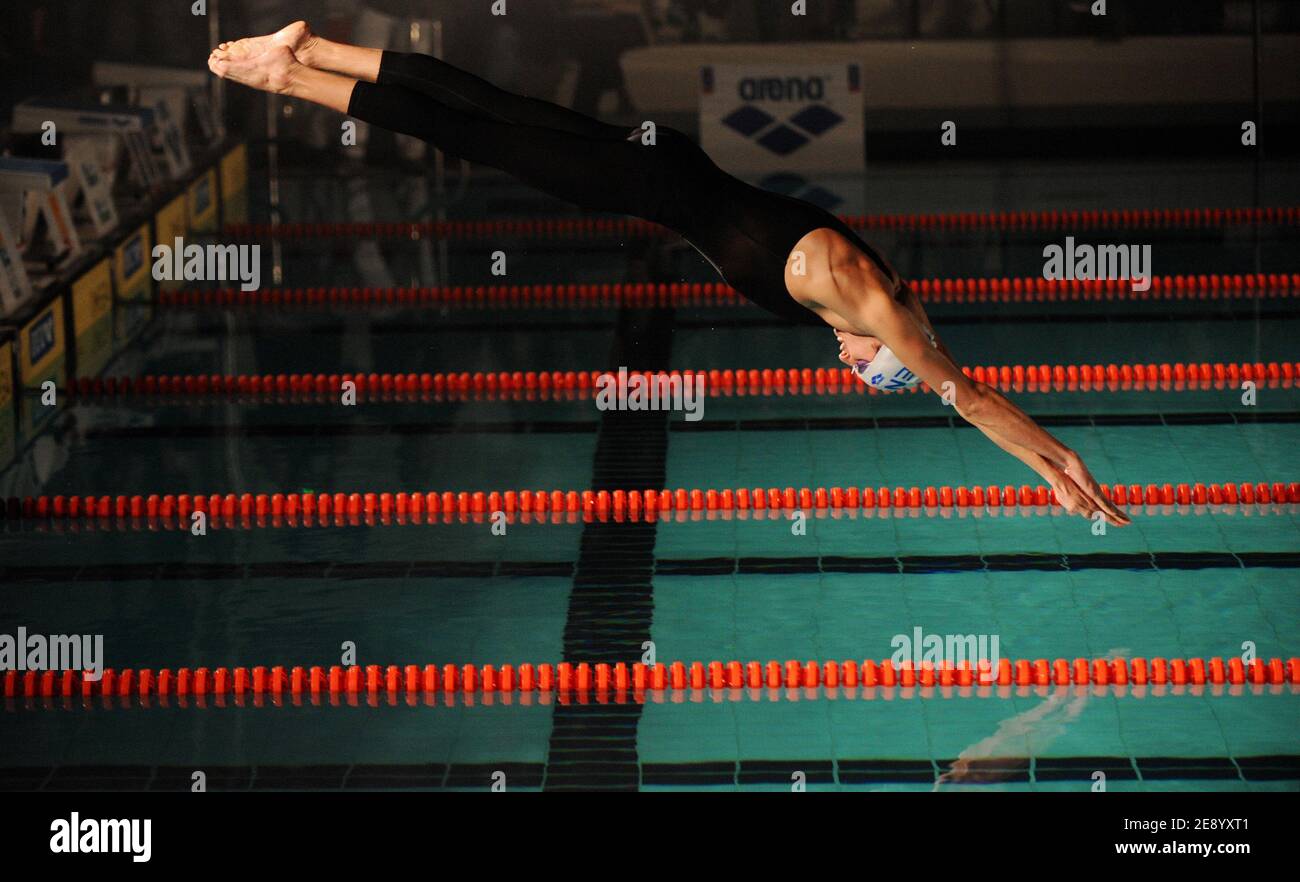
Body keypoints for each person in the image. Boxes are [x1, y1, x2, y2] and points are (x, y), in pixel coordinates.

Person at [208, 21, 1129, 527]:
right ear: (879, 341)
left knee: (494, 113)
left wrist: (1042, 455)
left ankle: (314, 50)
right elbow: (964, 396)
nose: (850, 362)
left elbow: (943, 366)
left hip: (663, 172)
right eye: (865, 363)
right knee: (473, 131)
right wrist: (1055, 461)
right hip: (647, 182)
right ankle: (289, 78)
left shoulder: (859, 295)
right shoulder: (862, 294)